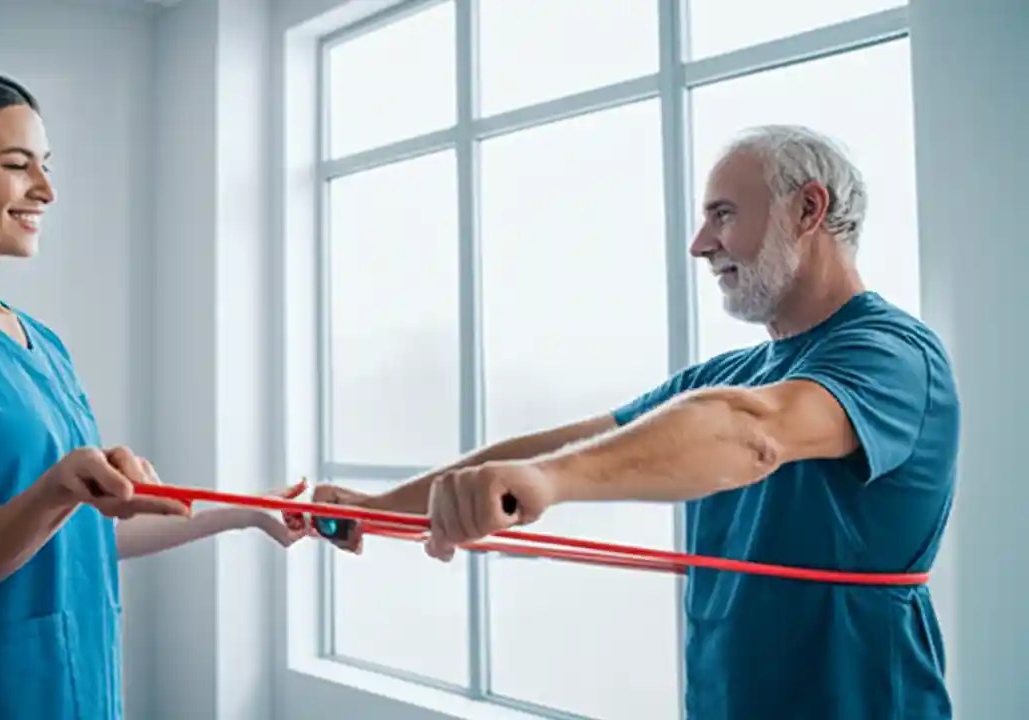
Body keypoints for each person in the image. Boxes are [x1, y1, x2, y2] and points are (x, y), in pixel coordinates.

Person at [313, 125, 958, 720]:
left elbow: (752, 433)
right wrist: (377, 511)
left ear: (808, 210)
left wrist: (549, 480)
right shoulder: (726, 375)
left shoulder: (892, 355)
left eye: (723, 214)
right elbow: (566, 446)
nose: (700, 244)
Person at [0, 64, 301, 720]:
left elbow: (77, 540)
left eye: (45, 166)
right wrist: (59, 486)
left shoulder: (40, 342)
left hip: (81, 697)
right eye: (18, 165)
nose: (45, 190)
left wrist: (250, 510)